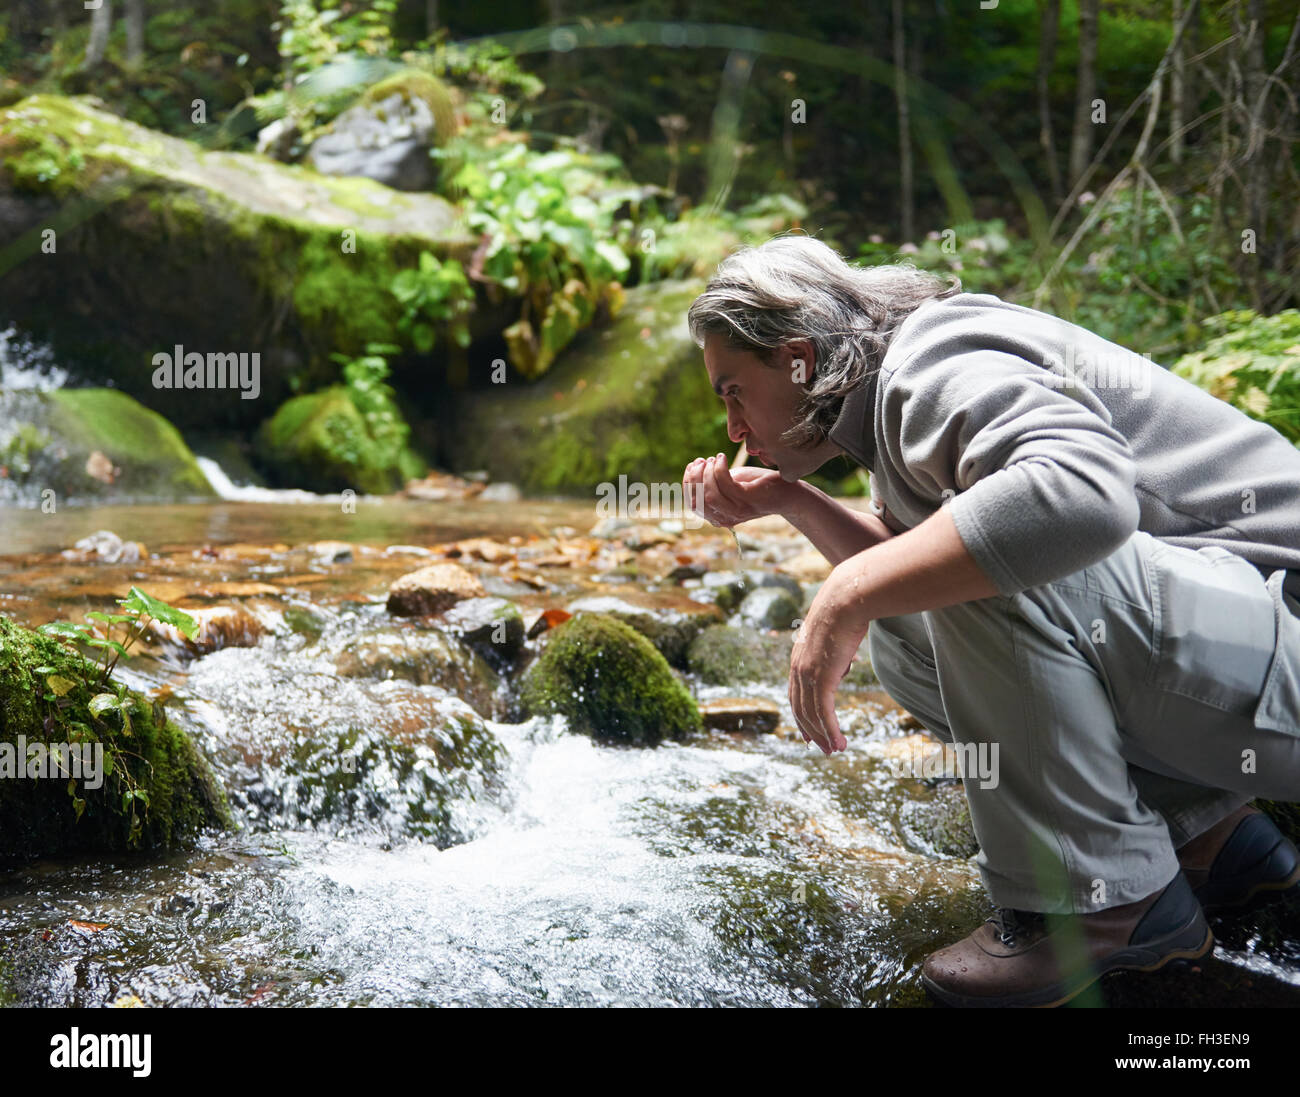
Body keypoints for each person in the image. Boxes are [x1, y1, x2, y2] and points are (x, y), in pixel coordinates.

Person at [682, 233, 1300, 1008]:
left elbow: (1078, 493)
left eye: (731, 390)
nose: (733, 427)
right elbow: (921, 562)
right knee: (914, 615)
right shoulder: (892, 397)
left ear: (799, 357)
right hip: (1255, 664)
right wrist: (787, 500)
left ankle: (1103, 905)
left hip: (1285, 635)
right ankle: (1205, 833)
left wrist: (845, 594)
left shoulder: (932, 359)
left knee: (979, 560)